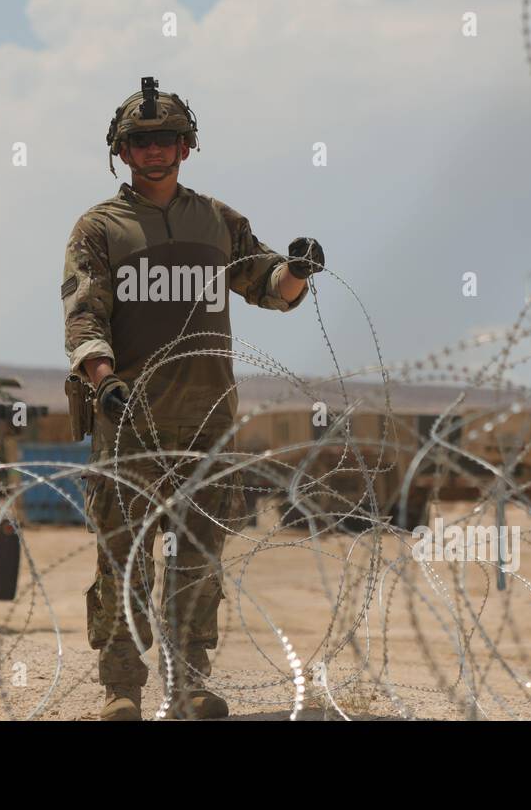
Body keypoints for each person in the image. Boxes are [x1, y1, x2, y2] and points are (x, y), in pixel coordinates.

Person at [62, 77, 324, 720]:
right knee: (123, 559)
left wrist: (298, 268)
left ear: (188, 146)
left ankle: (188, 684)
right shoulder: (100, 228)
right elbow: (83, 313)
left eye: (168, 140)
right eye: (142, 141)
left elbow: (268, 285)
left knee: (197, 558)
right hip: (129, 420)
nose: (156, 151)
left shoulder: (216, 222)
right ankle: (122, 687)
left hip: (208, 421)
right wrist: (103, 379)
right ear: (122, 151)